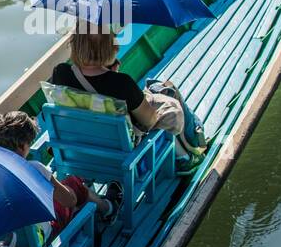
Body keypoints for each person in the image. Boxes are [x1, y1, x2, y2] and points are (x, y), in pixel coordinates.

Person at [50, 30, 205, 163]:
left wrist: (110, 75)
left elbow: (92, 89)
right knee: (169, 98)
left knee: (158, 91)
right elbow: (150, 121)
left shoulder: (60, 73)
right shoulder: (122, 84)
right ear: (109, 49)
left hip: (83, 147)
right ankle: (185, 154)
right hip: (123, 151)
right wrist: (113, 78)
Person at [0, 109, 115, 238]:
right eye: (29, 143)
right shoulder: (33, 169)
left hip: (16, 242)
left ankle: (86, 209)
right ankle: (108, 209)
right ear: (21, 146)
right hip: (45, 235)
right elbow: (69, 200)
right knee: (73, 184)